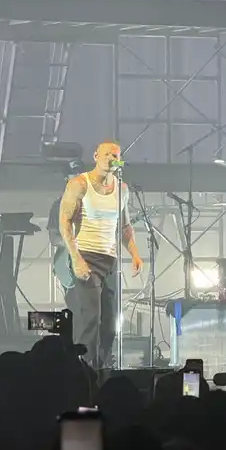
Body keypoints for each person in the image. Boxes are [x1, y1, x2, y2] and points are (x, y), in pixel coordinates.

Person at [58, 140, 143, 369]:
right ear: (96, 156)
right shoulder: (79, 184)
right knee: (91, 317)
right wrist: (75, 258)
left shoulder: (122, 189)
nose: (110, 159)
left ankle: (100, 367)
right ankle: (83, 368)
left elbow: (125, 226)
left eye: (115, 155)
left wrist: (135, 253)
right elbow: (64, 222)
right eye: (106, 154)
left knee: (111, 321)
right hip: (86, 256)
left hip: (110, 259)